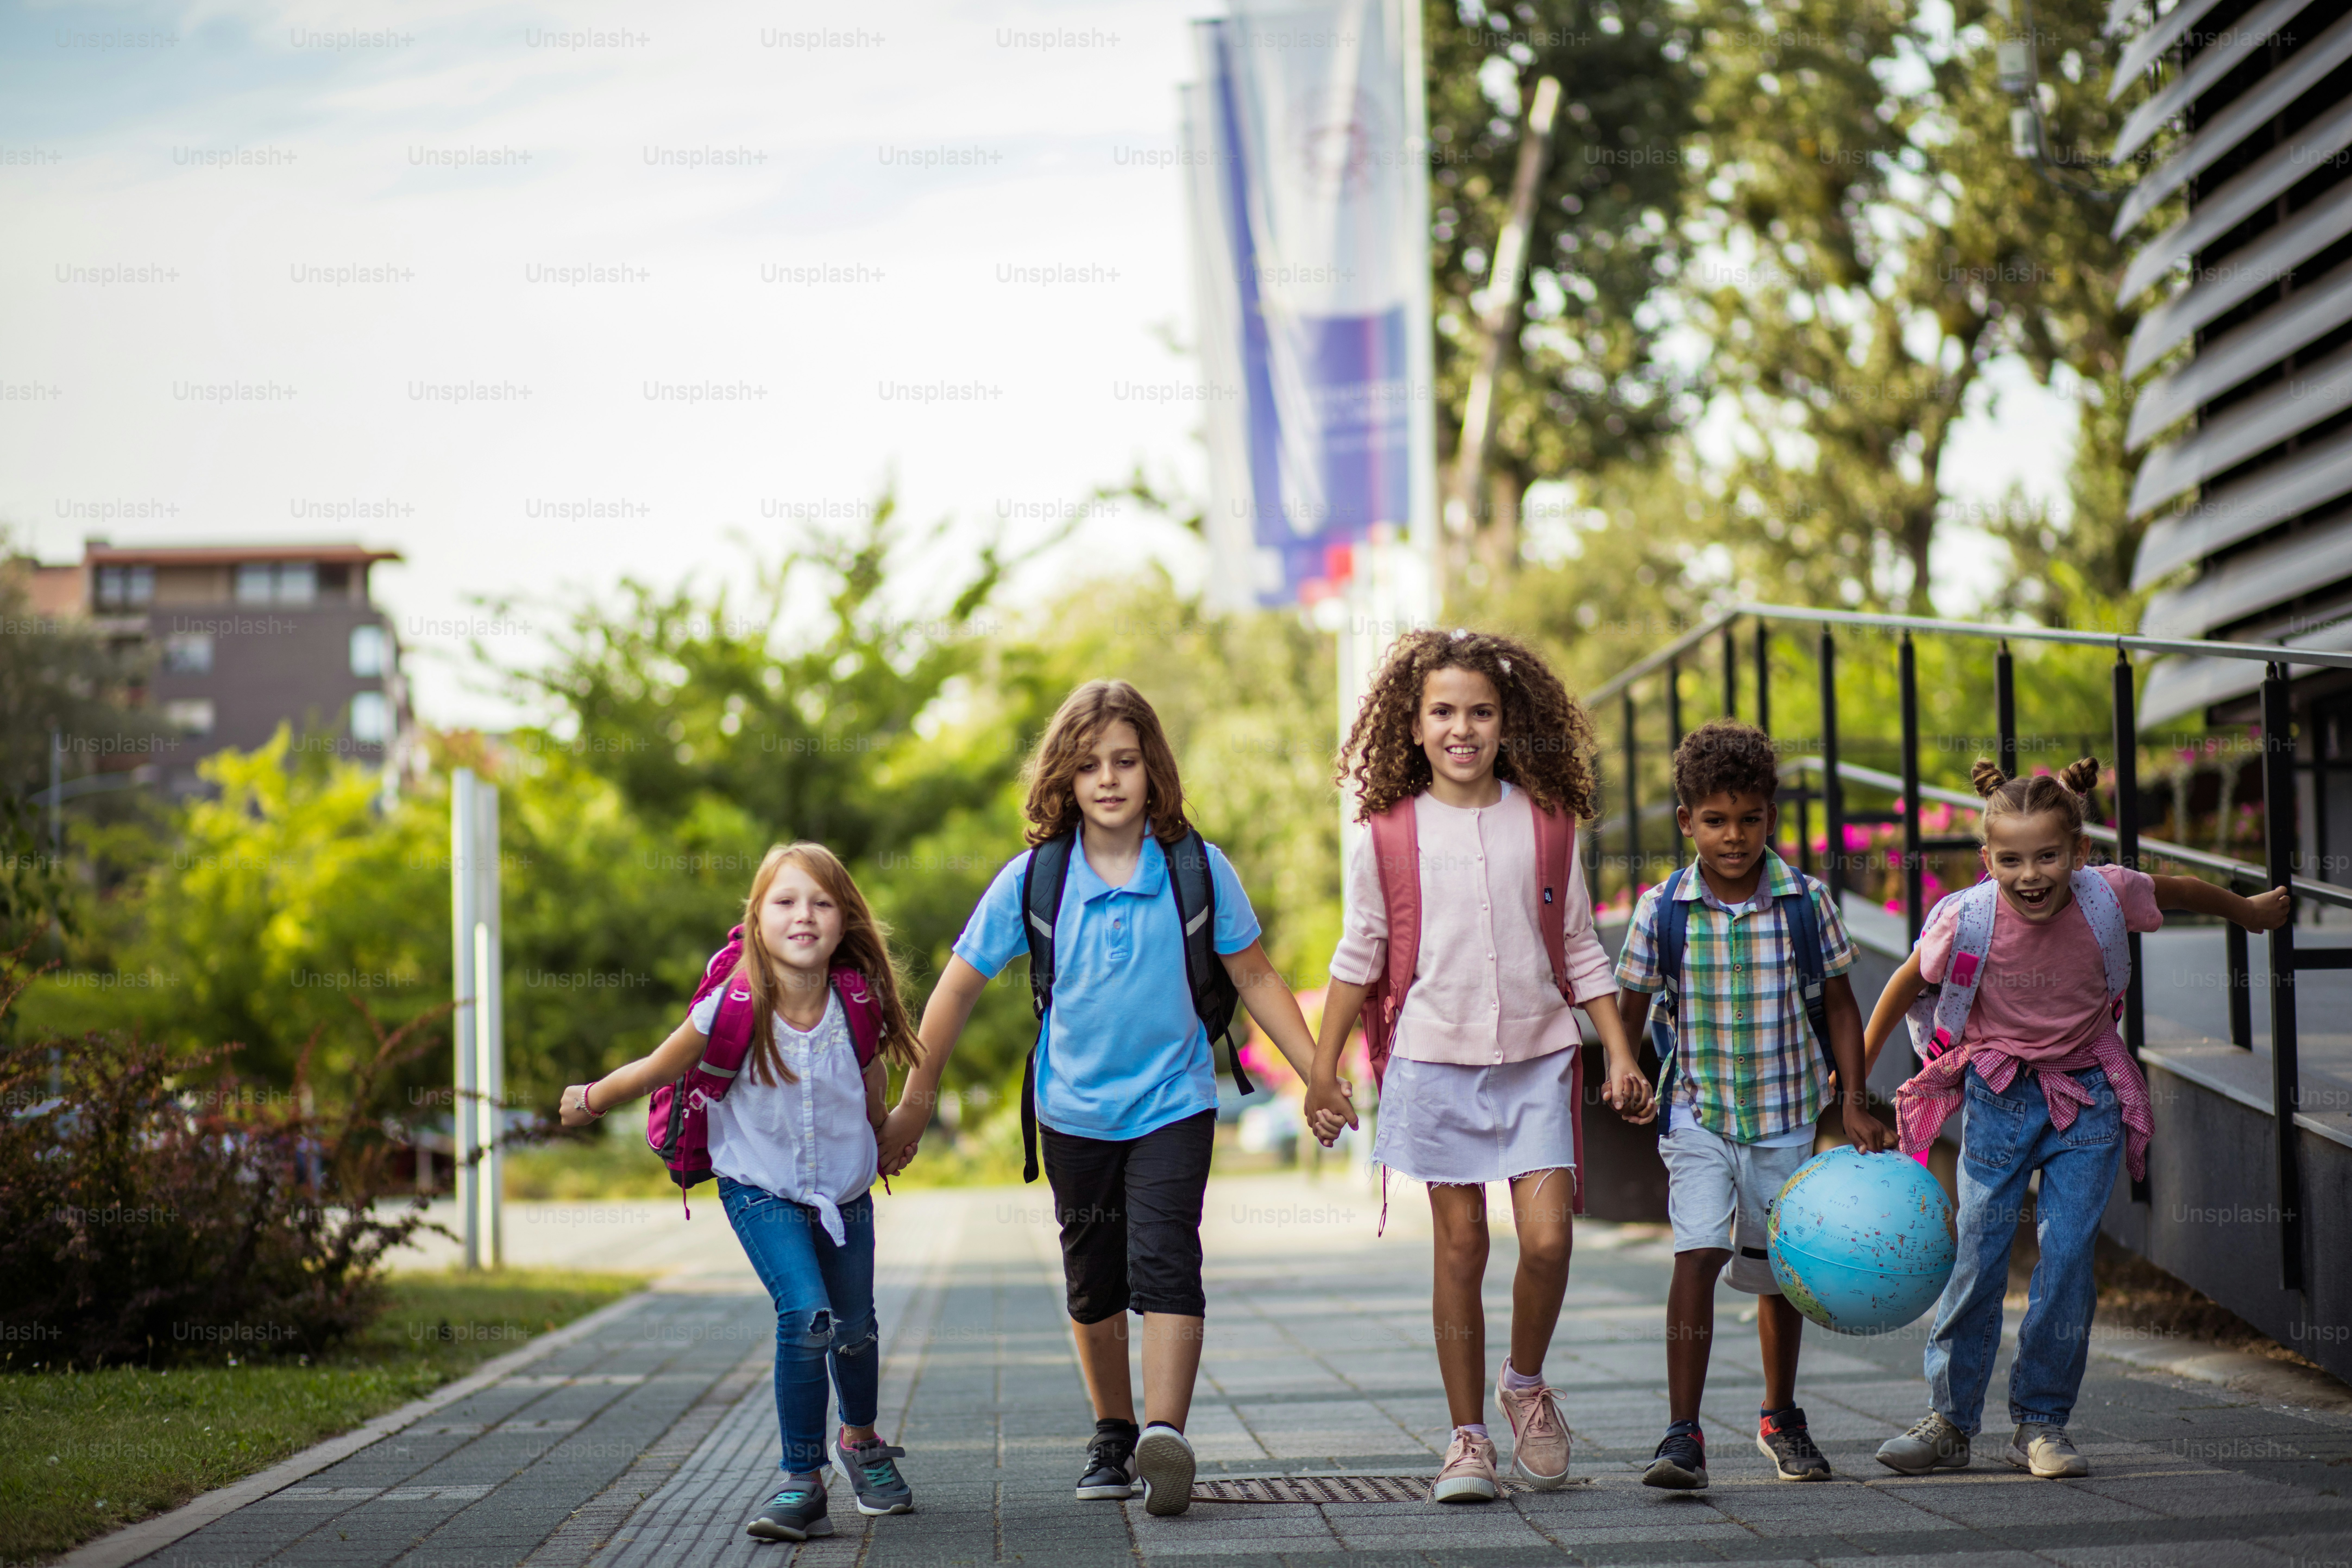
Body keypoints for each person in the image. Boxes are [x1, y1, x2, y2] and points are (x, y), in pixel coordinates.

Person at [874, 679, 1331, 1517]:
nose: (1110, 779)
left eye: (1126, 762)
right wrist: (914, 1100)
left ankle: (1166, 1437)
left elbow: (1255, 975)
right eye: (1090, 766)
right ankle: (1113, 1431)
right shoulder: (1033, 880)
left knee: (1166, 1258)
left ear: (1153, 771)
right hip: (1071, 1112)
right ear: (1066, 780)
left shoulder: (1196, 866)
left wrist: (1318, 1075)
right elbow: (955, 990)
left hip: (1174, 1101)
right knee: (1091, 1280)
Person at [1866, 758, 2289, 1479]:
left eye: (2047, 857)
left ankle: (2040, 1423)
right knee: (1977, 1257)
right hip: (1999, 1099)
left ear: (2079, 853)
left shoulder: (2105, 895)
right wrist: (1856, 1084)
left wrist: (2245, 913)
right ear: (1986, 860)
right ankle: (1949, 1421)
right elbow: (1904, 980)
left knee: (2065, 1263)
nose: (2030, 875)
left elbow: (2177, 888)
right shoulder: (1966, 918)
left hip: (2087, 1096)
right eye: (2010, 860)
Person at [1306, 628, 1652, 1503]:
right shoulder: (1385, 833)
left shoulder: (1544, 823)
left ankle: (1524, 1385)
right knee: (1459, 1248)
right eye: (1443, 712)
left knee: (1548, 1238)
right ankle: (1466, 1440)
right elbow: (1360, 955)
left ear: (1508, 721)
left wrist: (1617, 1049)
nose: (1462, 728)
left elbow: (1577, 947)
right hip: (1431, 1061)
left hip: (1537, 1057)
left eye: (1480, 712)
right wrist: (1322, 1071)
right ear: (1413, 726)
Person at [559, 842, 924, 1544]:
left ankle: (862, 1443)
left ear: (845, 920)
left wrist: (885, 1135)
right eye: (785, 902)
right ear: (757, 919)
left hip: (844, 1192)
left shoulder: (858, 1003)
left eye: (821, 902)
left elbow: (873, 1079)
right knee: (809, 1316)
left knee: (857, 1328)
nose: (803, 916)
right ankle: (801, 1479)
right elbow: (653, 1069)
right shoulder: (728, 1008)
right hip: (759, 1188)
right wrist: (591, 1099)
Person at [1614, 719, 1892, 1492]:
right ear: (1685, 822)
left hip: (1786, 1114)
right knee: (1697, 1253)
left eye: (1748, 819)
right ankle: (1681, 1435)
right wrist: (1625, 1072)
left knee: (1780, 1273)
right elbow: (1628, 1007)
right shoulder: (1661, 909)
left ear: (1769, 816)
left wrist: (1854, 1103)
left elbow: (1841, 1005)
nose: (1732, 837)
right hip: (1698, 1114)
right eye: (1713, 820)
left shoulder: (1805, 903)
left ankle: (1780, 1416)